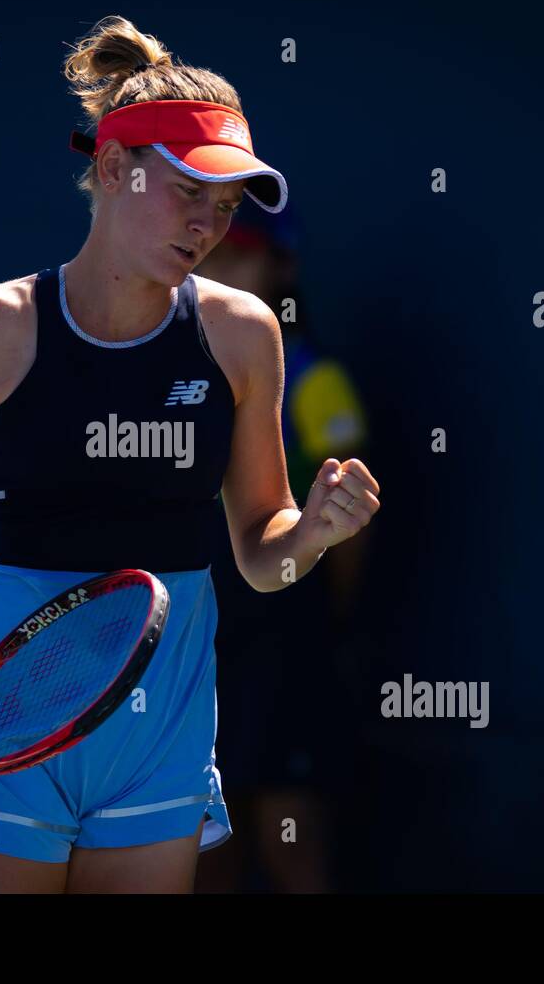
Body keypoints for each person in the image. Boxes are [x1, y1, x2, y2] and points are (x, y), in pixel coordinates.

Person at [0, 14, 381, 894]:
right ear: (115, 169)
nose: (209, 224)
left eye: (225, 206)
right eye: (190, 191)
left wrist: (309, 532)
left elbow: (262, 554)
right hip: (5, 724)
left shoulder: (244, 336)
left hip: (162, 733)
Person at [193, 198, 374, 892]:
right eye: (212, 248)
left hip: (286, 645)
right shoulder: (174, 371)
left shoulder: (314, 378)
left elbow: (355, 524)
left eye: (243, 248)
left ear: (283, 264)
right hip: (199, 645)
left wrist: (326, 624)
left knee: (289, 834)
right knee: (209, 842)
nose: (222, 264)